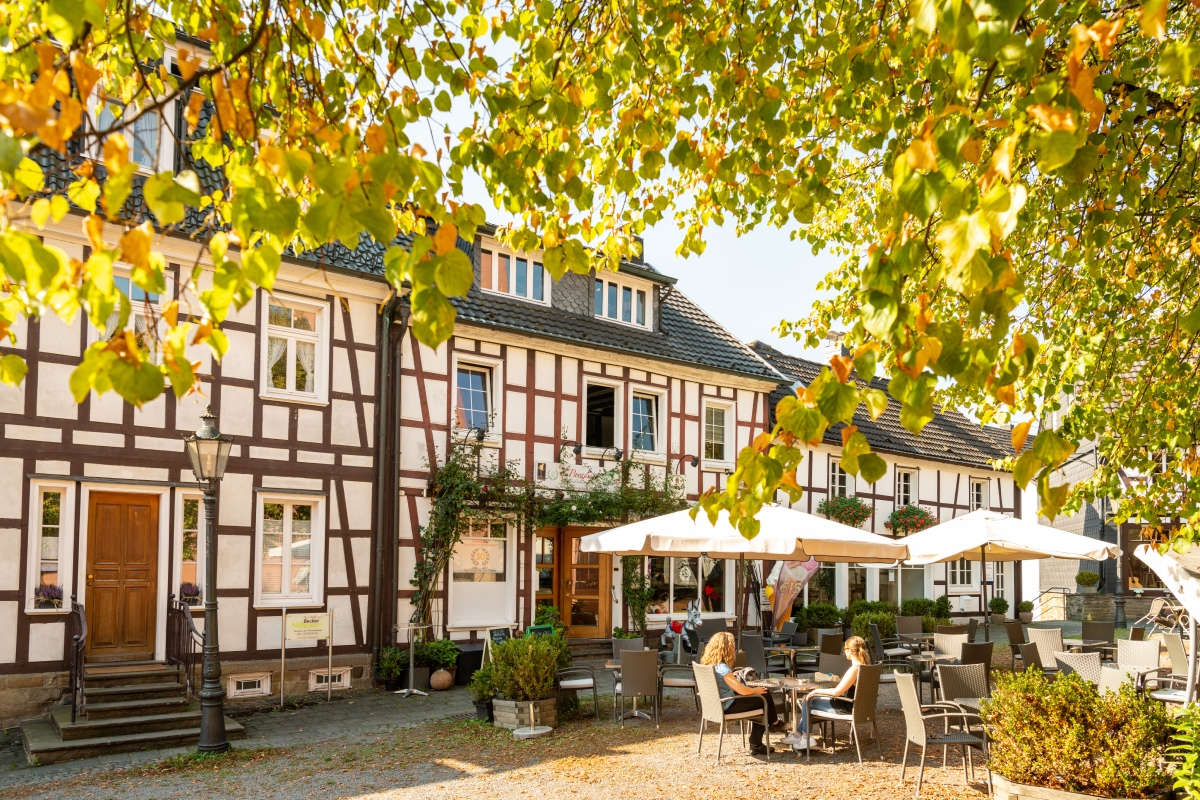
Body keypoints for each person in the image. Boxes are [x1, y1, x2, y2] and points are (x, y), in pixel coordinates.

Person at [700, 631, 782, 756]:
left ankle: (771, 725)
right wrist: (755, 690)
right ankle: (773, 725)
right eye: (732, 646)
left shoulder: (708, 665)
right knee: (764, 696)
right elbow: (742, 690)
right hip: (727, 706)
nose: (734, 649)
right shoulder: (723, 668)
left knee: (759, 699)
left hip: (715, 706)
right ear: (726, 649)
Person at [791, 635, 871, 751]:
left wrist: (815, 691)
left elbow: (837, 692)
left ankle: (803, 740)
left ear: (849, 651)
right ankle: (799, 737)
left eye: (845, 649)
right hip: (860, 707)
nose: (844, 652)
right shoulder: (866, 667)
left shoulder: (855, 668)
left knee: (808, 700)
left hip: (847, 707)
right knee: (810, 700)